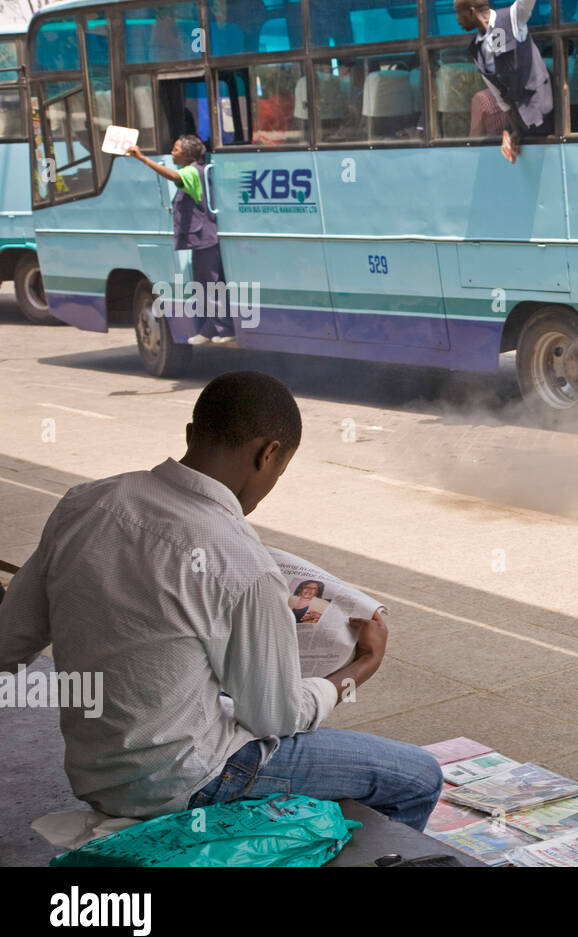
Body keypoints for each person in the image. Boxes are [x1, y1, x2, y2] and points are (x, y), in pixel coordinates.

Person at [0, 371, 444, 831]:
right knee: (416, 775)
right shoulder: (242, 562)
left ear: (192, 434)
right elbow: (276, 718)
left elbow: (10, 642)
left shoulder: (87, 502)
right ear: (268, 453)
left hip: (94, 773)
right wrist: (359, 667)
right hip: (191, 779)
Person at [126, 135, 235, 346]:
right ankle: (210, 328)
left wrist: (143, 159)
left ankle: (225, 327)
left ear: (187, 154)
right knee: (203, 285)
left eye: (176, 149)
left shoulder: (192, 172)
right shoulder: (196, 170)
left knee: (210, 285)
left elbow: (174, 177)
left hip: (206, 238)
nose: (172, 152)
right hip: (201, 239)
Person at [455, 0, 554, 164]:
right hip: (521, 119)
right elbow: (497, 93)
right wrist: (515, 129)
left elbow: (526, 3)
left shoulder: (511, 18)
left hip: (543, 112)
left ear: (472, 12)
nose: (457, 19)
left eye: (458, 13)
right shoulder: (476, 48)